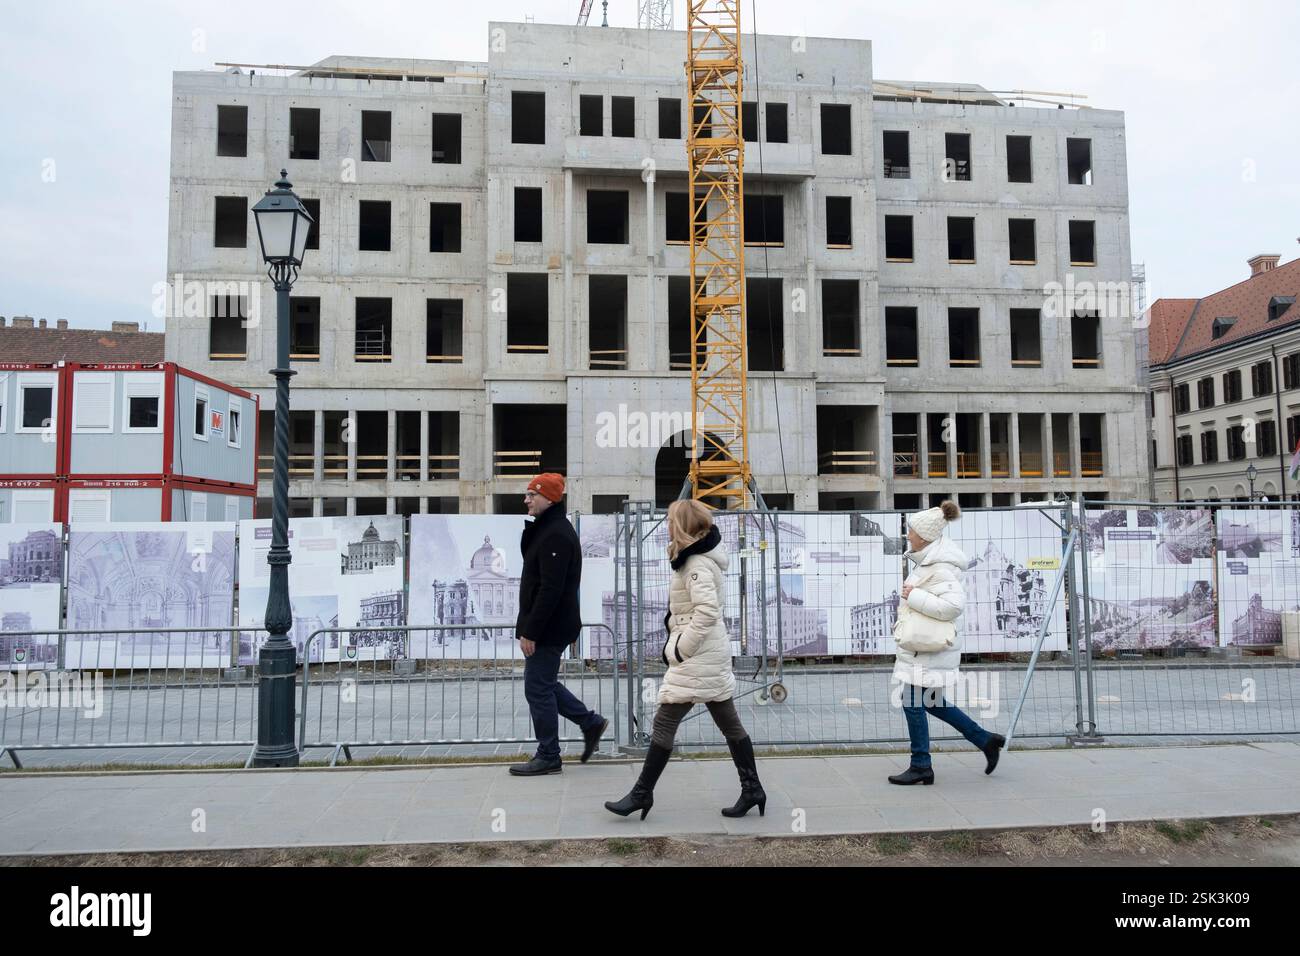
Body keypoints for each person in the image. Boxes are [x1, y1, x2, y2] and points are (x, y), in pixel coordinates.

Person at [605, 499, 766, 819]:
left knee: (665, 721)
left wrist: (681, 649)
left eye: (670, 520)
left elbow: (706, 612)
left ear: (681, 526)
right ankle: (752, 789)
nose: (667, 524)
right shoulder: (695, 559)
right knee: (729, 723)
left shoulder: (694, 564)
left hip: (698, 656)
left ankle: (642, 794)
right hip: (708, 654)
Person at [889, 500, 1005, 785]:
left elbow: (953, 606)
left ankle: (921, 765)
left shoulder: (940, 567)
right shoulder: (929, 561)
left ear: (924, 536)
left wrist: (914, 595)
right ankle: (985, 740)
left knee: (912, 702)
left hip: (929, 648)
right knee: (931, 701)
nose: (908, 535)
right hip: (924, 647)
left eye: (912, 531)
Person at [508, 472, 607, 776]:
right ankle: (590, 723)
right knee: (544, 684)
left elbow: (550, 590)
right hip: (550, 625)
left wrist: (531, 631)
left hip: (549, 628)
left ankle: (549, 754)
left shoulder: (555, 535)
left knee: (537, 689)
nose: (526, 500)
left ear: (549, 498)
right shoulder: (549, 530)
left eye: (532, 494)